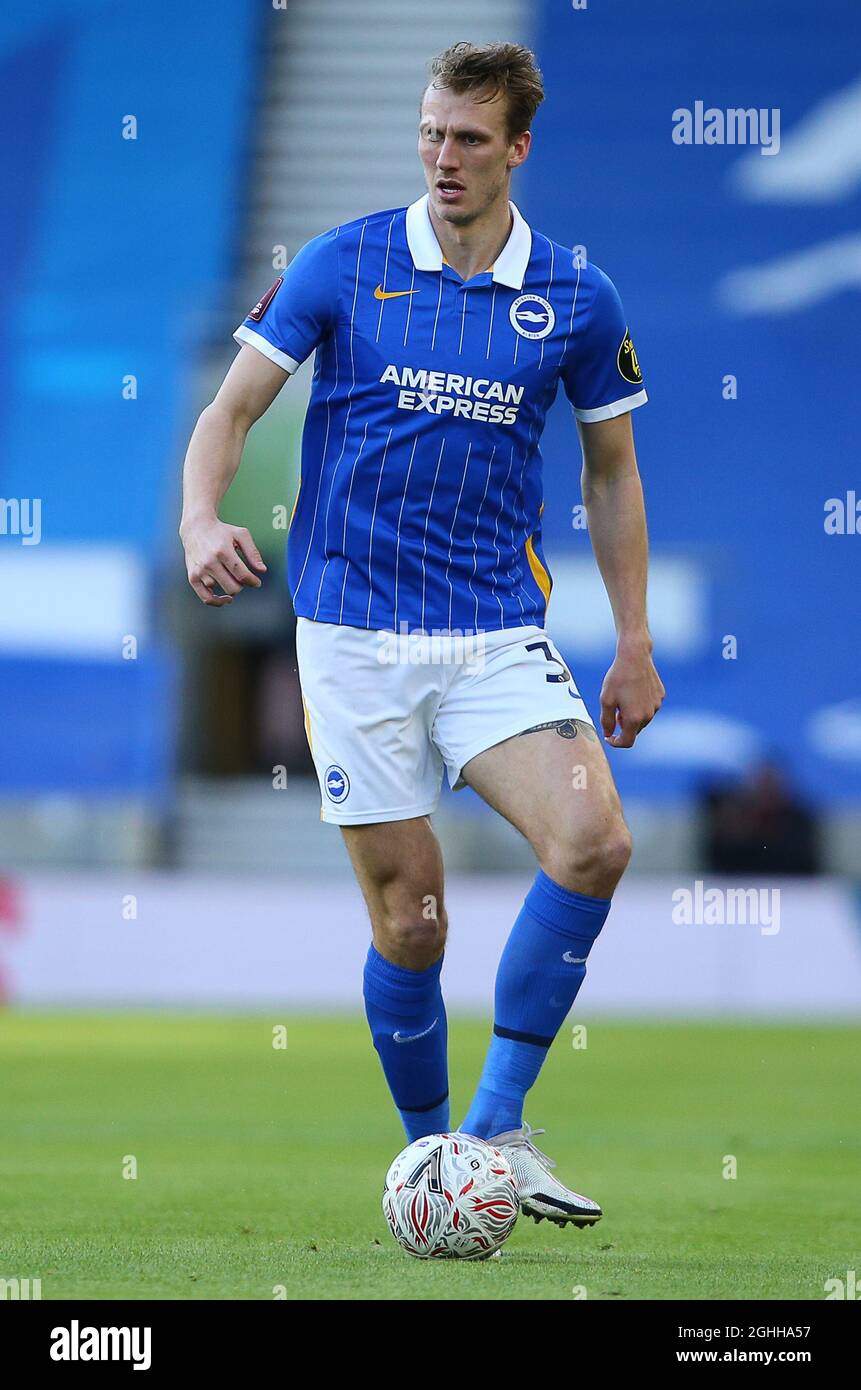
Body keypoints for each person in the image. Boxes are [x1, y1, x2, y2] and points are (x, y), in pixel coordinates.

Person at [180, 41, 665, 1228]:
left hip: (496, 631)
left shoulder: (576, 297)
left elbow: (612, 472)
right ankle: (430, 1164)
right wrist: (199, 517)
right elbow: (231, 409)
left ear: (518, 149)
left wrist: (636, 640)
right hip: (352, 633)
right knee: (414, 917)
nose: (443, 158)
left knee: (595, 840)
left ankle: (495, 1128)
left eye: (469, 139)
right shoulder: (345, 264)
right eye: (431, 133)